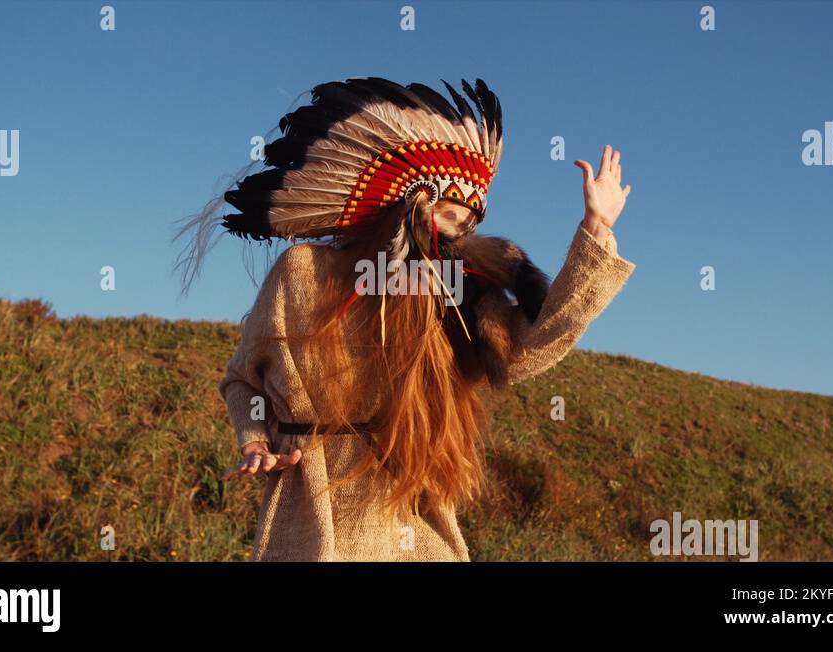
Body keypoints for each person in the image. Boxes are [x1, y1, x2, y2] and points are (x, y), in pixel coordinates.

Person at [188, 78, 635, 561]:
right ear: (413, 205)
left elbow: (533, 344)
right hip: (308, 515)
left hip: (409, 517)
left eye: (474, 221)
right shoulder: (302, 272)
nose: (466, 231)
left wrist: (596, 229)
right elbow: (243, 379)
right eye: (455, 216)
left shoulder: (456, 293)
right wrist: (257, 442)